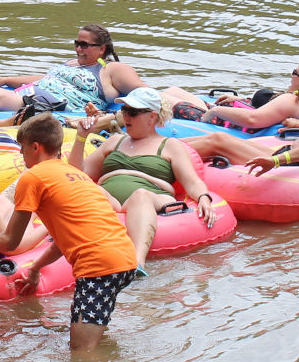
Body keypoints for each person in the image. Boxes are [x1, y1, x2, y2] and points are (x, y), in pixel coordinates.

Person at [0, 113, 139, 351]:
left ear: (35, 147)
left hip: (98, 268)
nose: (20, 153)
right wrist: (36, 268)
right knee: (90, 339)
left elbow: (10, 241)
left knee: (81, 354)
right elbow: (66, 238)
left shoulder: (33, 177)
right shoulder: (76, 175)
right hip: (122, 259)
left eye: (22, 147)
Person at [69, 87, 217, 269]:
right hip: (112, 202)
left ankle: (137, 262)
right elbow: (77, 173)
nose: (126, 117)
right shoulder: (115, 141)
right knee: (89, 189)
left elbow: (192, 181)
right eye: (124, 111)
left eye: (133, 112)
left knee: (140, 195)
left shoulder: (170, 146)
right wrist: (81, 138)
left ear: (152, 117)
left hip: (152, 197)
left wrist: (203, 197)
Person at [0, 24, 147, 117]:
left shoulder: (112, 69)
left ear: (102, 48)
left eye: (84, 45)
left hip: (61, 106)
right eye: (76, 43)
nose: (78, 48)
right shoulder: (73, 64)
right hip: (39, 92)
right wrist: (7, 78)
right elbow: (46, 78)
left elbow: (141, 90)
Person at [161, 57, 299, 131]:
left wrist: (216, 111)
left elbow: (252, 119)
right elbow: (270, 109)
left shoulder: (292, 100)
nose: (291, 75)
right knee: (173, 90)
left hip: (228, 124)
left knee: (163, 98)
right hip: (233, 119)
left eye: (295, 73)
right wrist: (240, 100)